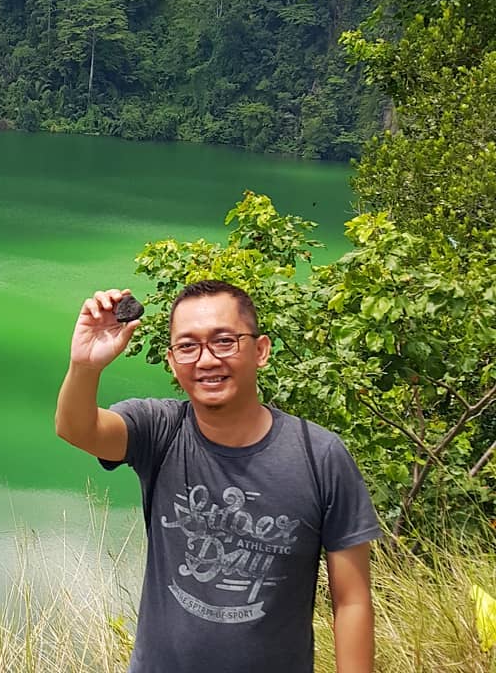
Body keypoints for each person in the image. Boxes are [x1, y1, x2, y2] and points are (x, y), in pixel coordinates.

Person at [55, 279, 382, 673]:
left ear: (261, 350)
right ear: (172, 361)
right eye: (187, 346)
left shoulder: (320, 456)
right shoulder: (159, 431)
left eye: (224, 341)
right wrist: (85, 365)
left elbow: (352, 600)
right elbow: (77, 429)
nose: (207, 360)